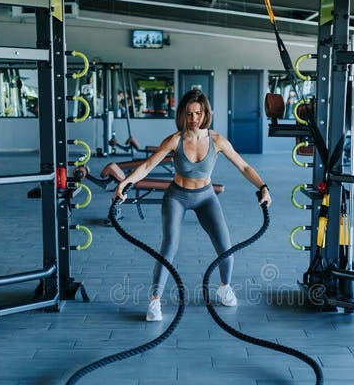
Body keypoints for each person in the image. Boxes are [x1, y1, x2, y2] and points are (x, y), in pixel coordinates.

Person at [112, 89, 271, 321]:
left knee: (226, 248)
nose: (194, 119)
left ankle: (224, 287)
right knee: (169, 248)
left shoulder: (217, 141)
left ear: (206, 113)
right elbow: (147, 166)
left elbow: (244, 166)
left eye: (198, 113)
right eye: (189, 114)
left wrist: (263, 186)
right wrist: (125, 182)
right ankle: (154, 301)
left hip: (206, 197)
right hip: (177, 196)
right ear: (183, 115)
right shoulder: (175, 140)